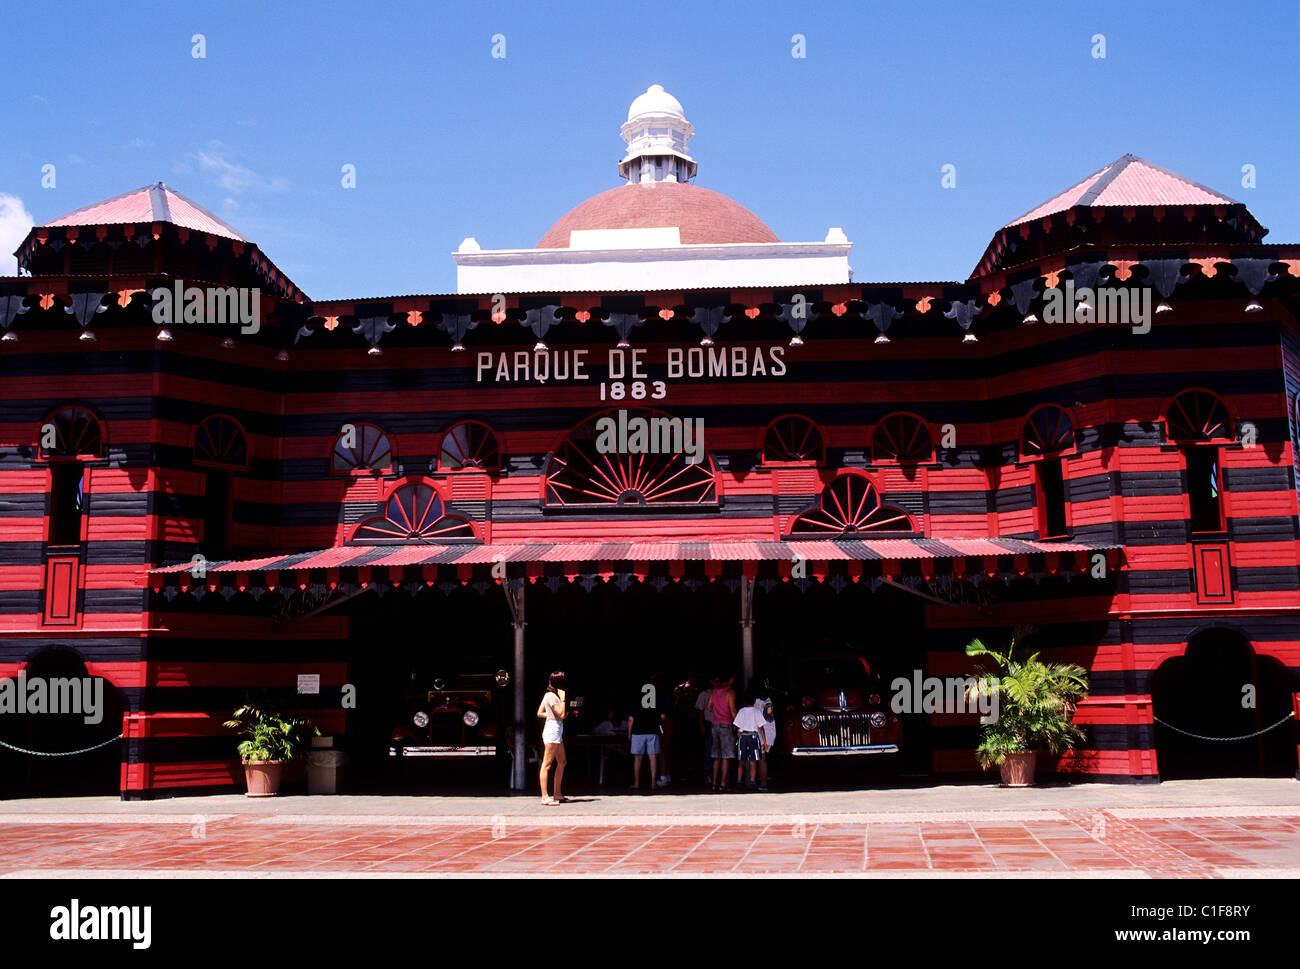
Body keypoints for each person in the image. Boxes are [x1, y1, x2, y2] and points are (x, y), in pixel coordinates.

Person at [627, 679, 665, 792]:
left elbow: (630, 719)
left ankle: (637, 783)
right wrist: (655, 720)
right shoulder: (655, 700)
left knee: (637, 758)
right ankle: (653, 783)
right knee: (653, 757)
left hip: (638, 732)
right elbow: (663, 716)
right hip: (652, 731)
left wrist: (629, 734)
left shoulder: (636, 700)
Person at [537, 671, 568, 805]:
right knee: (547, 763)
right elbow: (560, 713)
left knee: (562, 761)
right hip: (553, 730)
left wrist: (552, 716)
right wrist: (563, 699)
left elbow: (540, 713)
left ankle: (557, 793)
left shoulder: (548, 695)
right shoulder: (553, 696)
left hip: (555, 727)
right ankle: (545, 796)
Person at [733, 690, 768, 791]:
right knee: (753, 761)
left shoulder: (741, 711)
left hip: (743, 737)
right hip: (753, 737)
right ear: (754, 701)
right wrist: (764, 742)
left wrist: (738, 737)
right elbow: (761, 728)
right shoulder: (756, 711)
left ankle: (739, 781)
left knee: (741, 761)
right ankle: (752, 782)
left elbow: (737, 727)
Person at [709, 673, 737, 791]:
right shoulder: (730, 692)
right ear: (730, 679)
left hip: (715, 725)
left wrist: (717, 710)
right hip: (726, 725)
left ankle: (714, 783)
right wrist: (739, 726)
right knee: (726, 757)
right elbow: (732, 711)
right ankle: (723, 784)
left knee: (717, 756)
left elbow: (709, 707)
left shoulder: (715, 691)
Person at [695, 674, 719, 783]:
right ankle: (708, 773)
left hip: (721, 724)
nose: (717, 683)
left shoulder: (725, 693)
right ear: (711, 681)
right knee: (709, 749)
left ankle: (721, 774)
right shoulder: (705, 694)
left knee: (722, 750)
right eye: (715, 681)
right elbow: (699, 710)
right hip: (709, 723)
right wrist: (702, 726)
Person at [753, 692, 776, 792]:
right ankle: (761, 782)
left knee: (761, 760)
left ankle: (763, 783)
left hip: (763, 735)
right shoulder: (768, 701)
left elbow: (759, 724)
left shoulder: (757, 703)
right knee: (761, 759)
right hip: (769, 733)